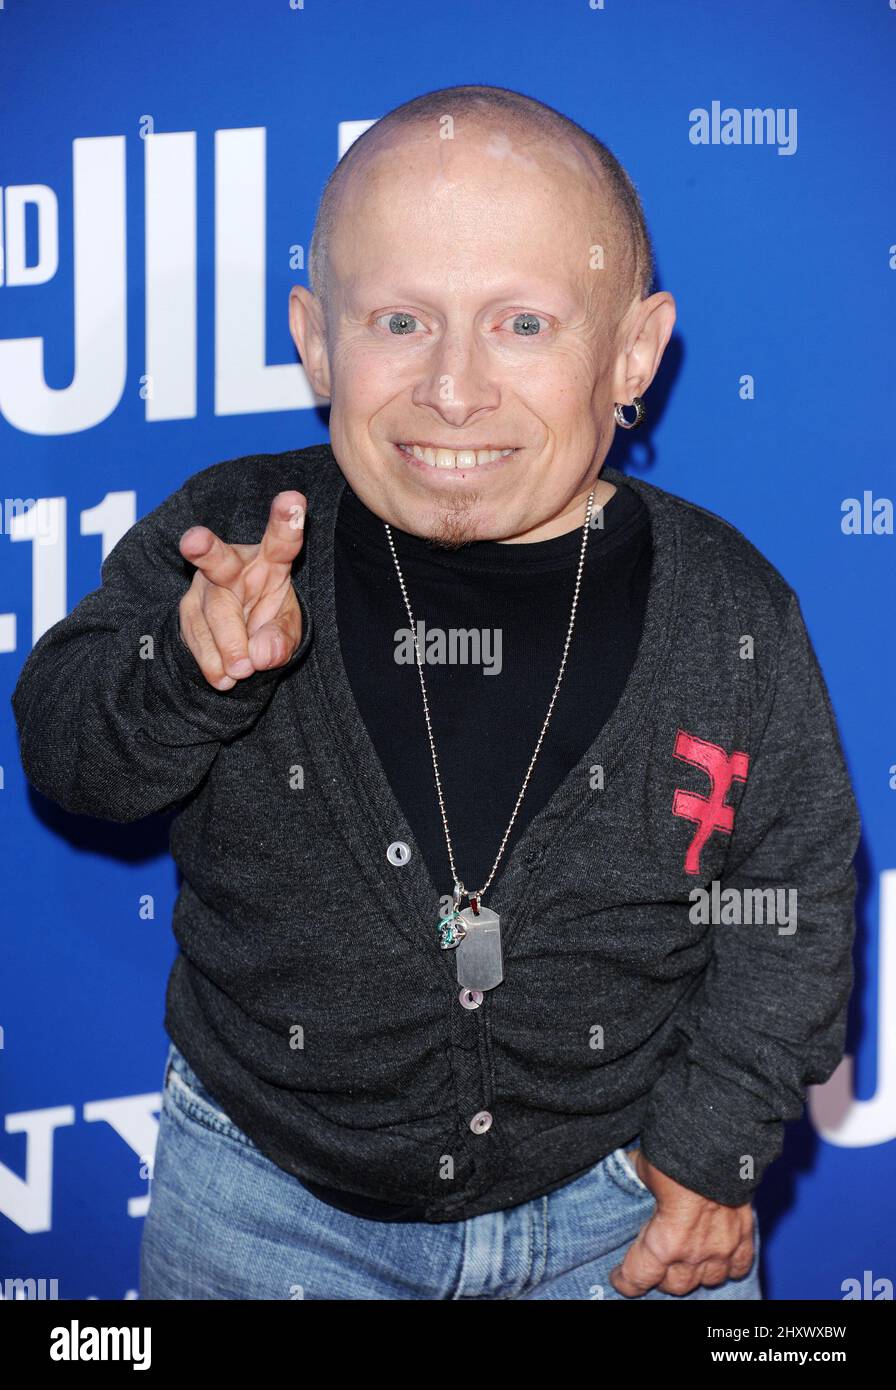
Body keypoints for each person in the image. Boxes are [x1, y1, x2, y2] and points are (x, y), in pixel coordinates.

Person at [12, 84, 860, 1301]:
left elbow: (787, 904)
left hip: (620, 1226)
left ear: (630, 350)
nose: (452, 391)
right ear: (313, 338)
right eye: (401, 320)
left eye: (521, 325)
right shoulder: (236, 535)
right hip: (264, 1213)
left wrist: (711, 1151)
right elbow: (67, 757)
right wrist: (184, 676)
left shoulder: (731, 611)